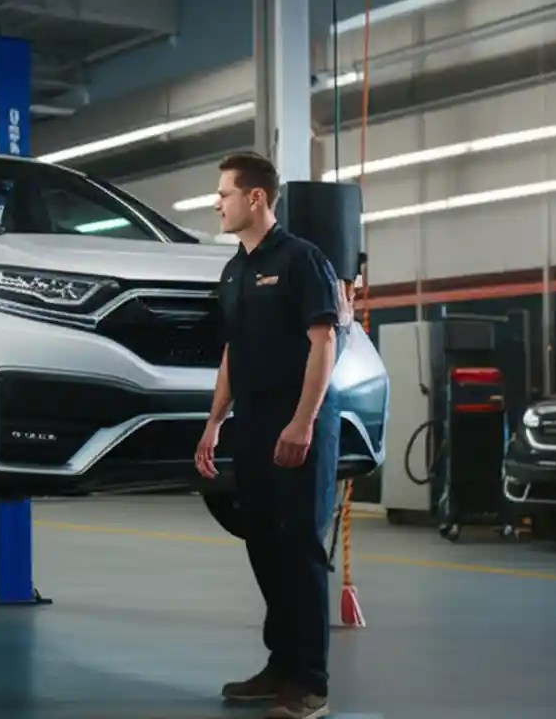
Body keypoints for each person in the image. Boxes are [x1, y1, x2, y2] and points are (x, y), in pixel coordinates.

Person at [194, 152, 348, 719]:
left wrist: (303, 421)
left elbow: (323, 344)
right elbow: (232, 352)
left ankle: (310, 683)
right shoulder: (234, 269)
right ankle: (279, 665)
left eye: (224, 193)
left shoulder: (303, 260)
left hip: (298, 419)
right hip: (251, 423)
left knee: (300, 546)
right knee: (262, 541)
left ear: (255, 198)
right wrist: (213, 422)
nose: (218, 202)